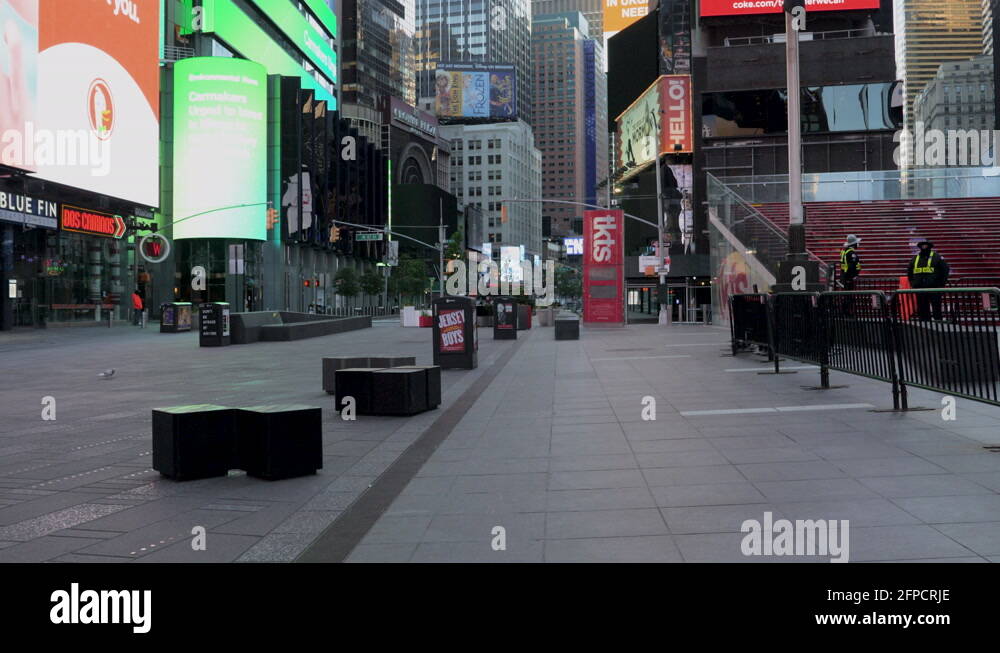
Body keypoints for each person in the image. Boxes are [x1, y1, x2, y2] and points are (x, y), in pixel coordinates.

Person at [907, 239, 949, 321]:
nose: (924, 247)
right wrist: (913, 283)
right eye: (922, 246)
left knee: (936, 306)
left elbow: (945, 270)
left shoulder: (936, 257)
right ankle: (924, 323)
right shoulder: (915, 258)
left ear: (929, 246)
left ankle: (938, 322)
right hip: (920, 288)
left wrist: (941, 283)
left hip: (934, 287)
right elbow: (910, 272)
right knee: (922, 307)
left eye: (926, 245)